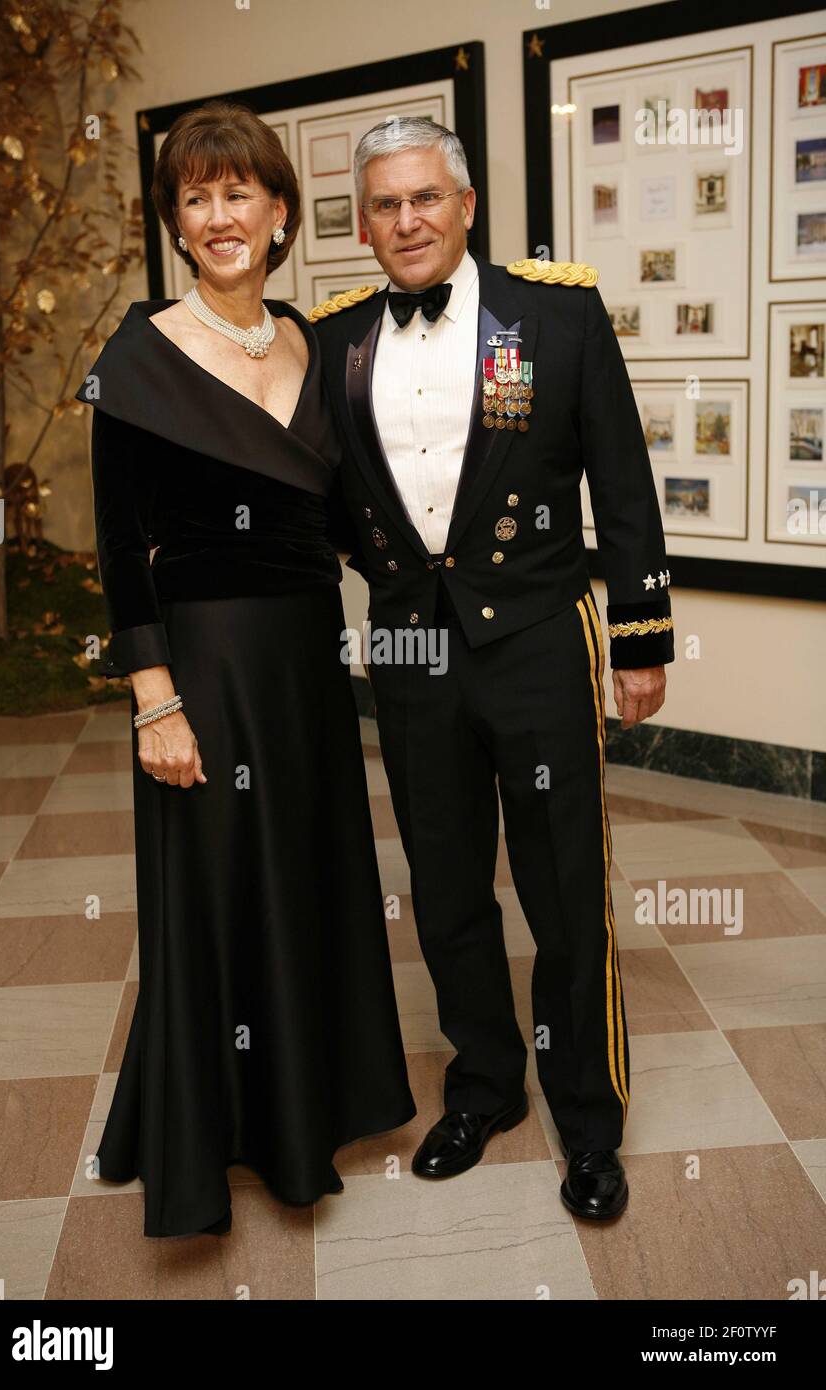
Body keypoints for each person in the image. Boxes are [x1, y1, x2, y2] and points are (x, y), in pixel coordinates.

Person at [311, 117, 675, 1221]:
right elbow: (321, 503)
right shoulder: (333, 342)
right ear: (364, 223)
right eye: (385, 205)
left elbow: (621, 477)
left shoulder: (555, 314)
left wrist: (642, 635)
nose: (406, 221)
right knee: (448, 882)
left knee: (563, 885)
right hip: (413, 645)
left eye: (426, 198)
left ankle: (587, 1114)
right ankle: (483, 1084)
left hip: (532, 637)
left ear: (466, 205)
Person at [74, 100, 415, 1239]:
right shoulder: (136, 356)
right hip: (205, 670)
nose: (218, 217)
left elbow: (354, 529)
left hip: (307, 664)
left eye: (238, 194)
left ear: (279, 213)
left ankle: (299, 1117)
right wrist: (154, 700)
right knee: (219, 891)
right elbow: (121, 552)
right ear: (177, 221)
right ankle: (211, 1134)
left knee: (307, 880)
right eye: (195, 197)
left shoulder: (315, 343)